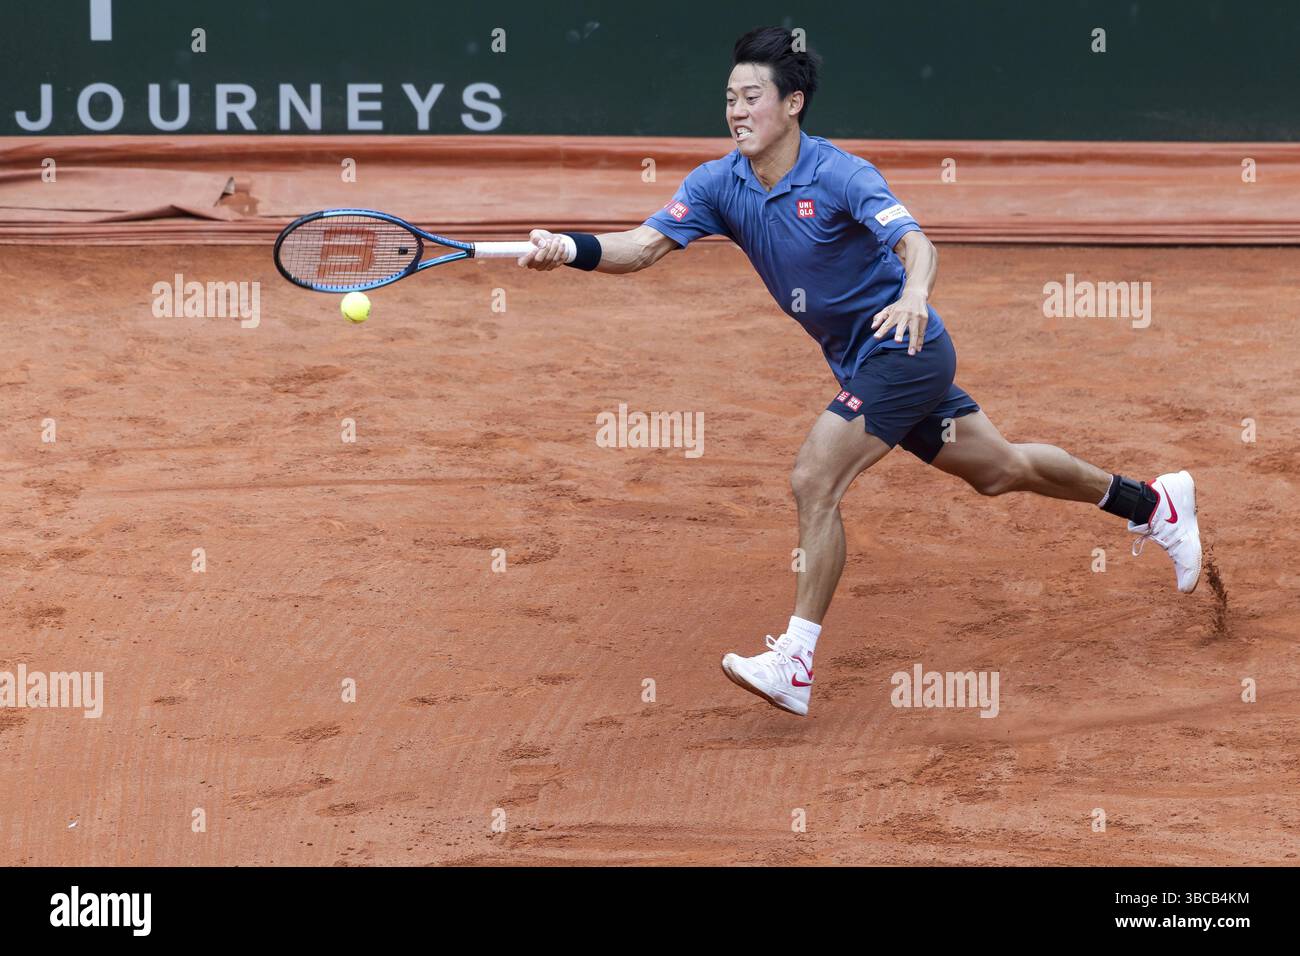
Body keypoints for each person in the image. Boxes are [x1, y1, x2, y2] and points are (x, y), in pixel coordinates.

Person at [518, 26, 1202, 717]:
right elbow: (638, 248)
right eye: (729, 98)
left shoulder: (841, 174)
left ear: (793, 103)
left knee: (815, 477)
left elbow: (916, 244)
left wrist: (912, 295)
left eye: (751, 97)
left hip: (905, 348)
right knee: (999, 471)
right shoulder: (718, 183)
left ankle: (795, 661)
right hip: (862, 358)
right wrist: (564, 246)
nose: (736, 111)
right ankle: (1152, 503)